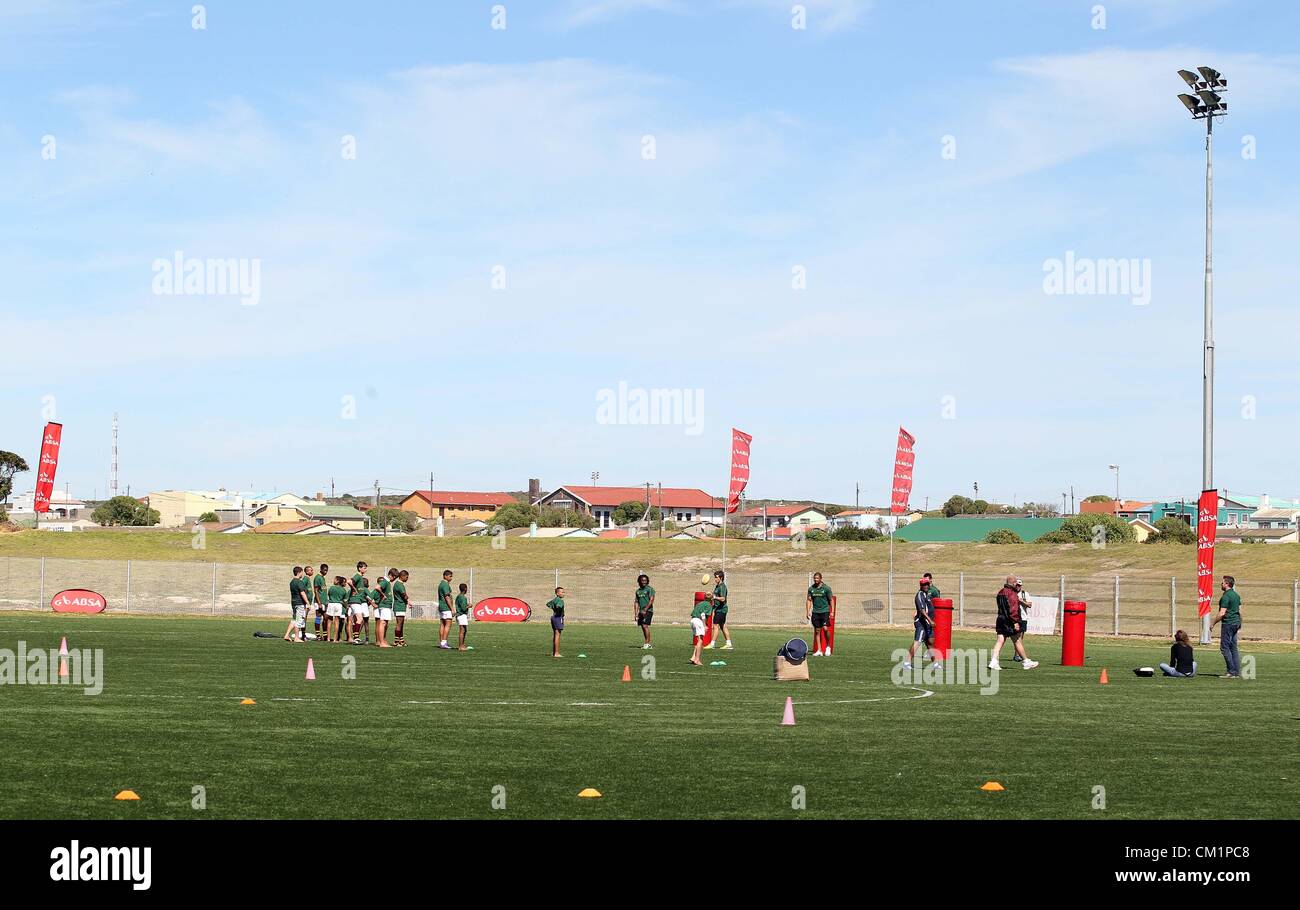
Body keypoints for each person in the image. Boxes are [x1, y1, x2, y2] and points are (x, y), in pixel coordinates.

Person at [990, 574, 1037, 670]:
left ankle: (993, 661)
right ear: (1014, 583)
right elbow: (1013, 609)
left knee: (1000, 640)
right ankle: (1026, 661)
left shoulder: (1000, 592)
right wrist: (1015, 622)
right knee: (1017, 640)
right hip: (1009, 620)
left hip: (1000, 619)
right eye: (1016, 582)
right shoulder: (1012, 594)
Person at [1210, 575, 1243, 678]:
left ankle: (1231, 671)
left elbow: (1222, 613)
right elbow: (1240, 611)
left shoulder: (1226, 596)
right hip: (1236, 623)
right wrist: (1240, 623)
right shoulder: (1236, 595)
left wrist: (1213, 623)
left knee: (1224, 648)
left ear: (1227, 584)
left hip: (1228, 623)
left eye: (1222, 582)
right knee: (1233, 647)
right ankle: (1236, 672)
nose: (1221, 584)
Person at [905, 576, 938, 670]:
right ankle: (907, 663)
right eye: (924, 584)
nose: (926, 586)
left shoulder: (926, 595)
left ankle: (935, 664)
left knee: (930, 642)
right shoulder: (920, 595)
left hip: (928, 623)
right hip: (922, 623)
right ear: (921, 585)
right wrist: (930, 620)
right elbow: (922, 610)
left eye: (927, 584)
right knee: (918, 642)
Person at [806, 572, 834, 657]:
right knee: (817, 631)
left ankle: (828, 647)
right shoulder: (811, 589)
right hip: (815, 612)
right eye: (814, 578)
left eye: (817, 578)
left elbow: (831, 600)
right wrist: (807, 611)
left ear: (821, 579)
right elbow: (809, 600)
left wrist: (832, 611)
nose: (816, 579)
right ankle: (819, 650)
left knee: (825, 629)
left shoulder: (826, 588)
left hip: (825, 611)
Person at [704, 570, 733, 650]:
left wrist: (714, 597)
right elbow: (715, 596)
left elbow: (723, 598)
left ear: (721, 578)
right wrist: (711, 595)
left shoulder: (722, 586)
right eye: (715, 577)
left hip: (721, 609)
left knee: (715, 626)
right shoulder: (717, 586)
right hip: (718, 609)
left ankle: (712, 644)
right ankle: (729, 644)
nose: (715, 579)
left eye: (716, 577)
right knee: (723, 626)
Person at [689, 584, 712, 666]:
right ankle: (697, 660)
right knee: (701, 641)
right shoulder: (709, 605)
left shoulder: (700, 603)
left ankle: (693, 657)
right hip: (698, 621)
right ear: (711, 598)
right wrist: (704, 625)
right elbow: (702, 614)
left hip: (692, 620)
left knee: (698, 640)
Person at [373, 568, 397, 648]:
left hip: (386, 605)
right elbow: (377, 587)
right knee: (383, 623)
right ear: (391, 575)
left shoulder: (387, 582)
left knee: (385, 623)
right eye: (394, 577)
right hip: (384, 605)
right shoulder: (385, 581)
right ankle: (381, 642)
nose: (394, 579)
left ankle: (382, 641)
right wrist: (383, 595)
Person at [348, 562, 370, 645]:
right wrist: (353, 589)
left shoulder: (360, 576)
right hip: (355, 600)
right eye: (364, 568)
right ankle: (356, 638)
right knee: (360, 619)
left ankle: (356, 637)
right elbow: (349, 581)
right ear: (359, 568)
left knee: (357, 619)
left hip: (358, 601)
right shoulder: (357, 575)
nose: (365, 569)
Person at [284, 566, 308, 642]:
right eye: (301, 572)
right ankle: (297, 637)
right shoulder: (299, 582)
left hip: (294, 602)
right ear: (299, 572)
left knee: (294, 619)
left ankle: (287, 635)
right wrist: (307, 603)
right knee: (299, 620)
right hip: (300, 603)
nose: (302, 574)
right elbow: (302, 593)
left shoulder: (292, 582)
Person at [1012, 577, 1032, 662]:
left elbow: (1030, 605)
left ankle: (1017, 655)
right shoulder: (1011, 593)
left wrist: (1021, 601)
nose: (1018, 587)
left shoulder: (1024, 594)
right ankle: (1017, 655)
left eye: (1019, 585)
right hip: (1014, 618)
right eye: (1017, 585)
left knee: (1020, 637)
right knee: (1016, 637)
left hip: (1023, 618)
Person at [634, 574, 655, 649]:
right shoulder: (638, 591)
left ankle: (648, 643)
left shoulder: (650, 589)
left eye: (645, 580)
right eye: (642, 580)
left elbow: (651, 600)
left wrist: (645, 609)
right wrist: (636, 613)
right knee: (642, 627)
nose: (644, 582)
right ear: (639, 581)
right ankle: (646, 642)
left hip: (648, 611)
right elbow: (636, 602)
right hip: (641, 612)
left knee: (645, 625)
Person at [326, 575, 348, 642]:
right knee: (337, 622)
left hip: (331, 604)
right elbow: (344, 600)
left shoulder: (332, 588)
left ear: (338, 581)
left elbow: (329, 595)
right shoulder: (343, 590)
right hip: (338, 605)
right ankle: (335, 639)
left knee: (329, 621)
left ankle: (328, 638)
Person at [436, 570, 455, 650]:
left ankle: (442, 642)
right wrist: (452, 609)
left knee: (442, 624)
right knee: (448, 624)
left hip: (441, 607)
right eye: (450, 576)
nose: (451, 578)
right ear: (445, 576)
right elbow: (447, 597)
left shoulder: (441, 584)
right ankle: (444, 642)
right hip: (446, 607)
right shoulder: (445, 585)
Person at [392, 569, 410, 647]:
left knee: (401, 624)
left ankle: (401, 640)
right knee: (399, 624)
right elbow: (404, 595)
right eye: (406, 577)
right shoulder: (399, 585)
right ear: (402, 576)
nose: (407, 579)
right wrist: (407, 599)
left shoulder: (397, 584)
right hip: (399, 606)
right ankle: (396, 641)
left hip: (399, 606)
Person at [546, 586, 566, 658]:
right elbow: (558, 606)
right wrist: (558, 608)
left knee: (555, 635)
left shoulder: (555, 599)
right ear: (557, 593)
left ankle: (554, 652)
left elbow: (548, 604)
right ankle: (556, 653)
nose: (564, 593)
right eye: (562, 592)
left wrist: (553, 608)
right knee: (558, 636)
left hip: (553, 617)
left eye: (564, 592)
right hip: (558, 618)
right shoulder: (560, 601)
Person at [313, 563, 329, 634]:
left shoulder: (322, 577)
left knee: (326, 617)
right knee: (318, 617)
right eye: (324, 570)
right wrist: (319, 603)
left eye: (327, 570)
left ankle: (325, 635)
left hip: (324, 601)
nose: (325, 572)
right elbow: (316, 590)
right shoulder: (317, 577)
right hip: (319, 602)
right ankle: (318, 634)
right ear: (321, 569)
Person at [455, 582, 471, 651]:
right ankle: (460, 646)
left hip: (460, 615)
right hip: (461, 615)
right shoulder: (462, 597)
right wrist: (469, 606)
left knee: (465, 630)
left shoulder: (459, 596)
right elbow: (463, 608)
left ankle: (462, 644)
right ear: (465, 589)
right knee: (462, 630)